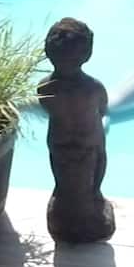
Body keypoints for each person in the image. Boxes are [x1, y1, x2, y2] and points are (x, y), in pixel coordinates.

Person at [38, 17, 115, 243]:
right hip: (89, 143)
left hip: (59, 142)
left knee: (61, 176)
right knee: (96, 164)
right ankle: (94, 197)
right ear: (87, 54)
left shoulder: (44, 87)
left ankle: (61, 210)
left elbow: (46, 108)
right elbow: (102, 110)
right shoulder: (94, 88)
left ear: (48, 52)